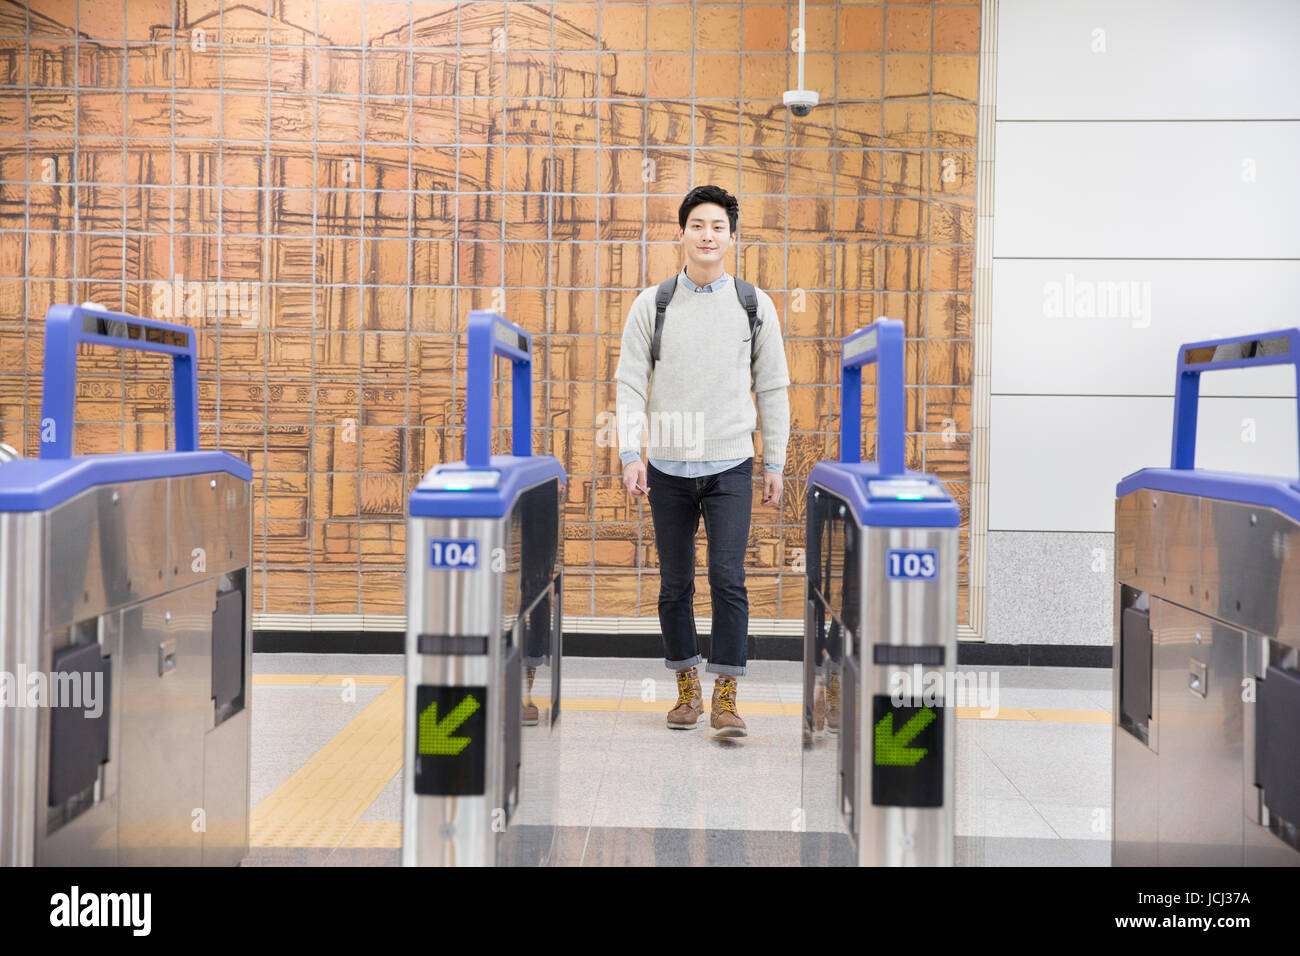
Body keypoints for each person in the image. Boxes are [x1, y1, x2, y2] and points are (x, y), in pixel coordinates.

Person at [614, 185, 791, 739]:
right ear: (682, 234)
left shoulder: (753, 304)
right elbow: (628, 383)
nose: (708, 235)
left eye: (718, 226)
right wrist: (629, 452)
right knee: (674, 584)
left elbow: (773, 387)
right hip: (667, 465)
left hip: (731, 464)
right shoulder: (653, 304)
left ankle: (726, 697)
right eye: (698, 225)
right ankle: (686, 691)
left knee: (728, 579)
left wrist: (775, 462)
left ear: (732, 238)